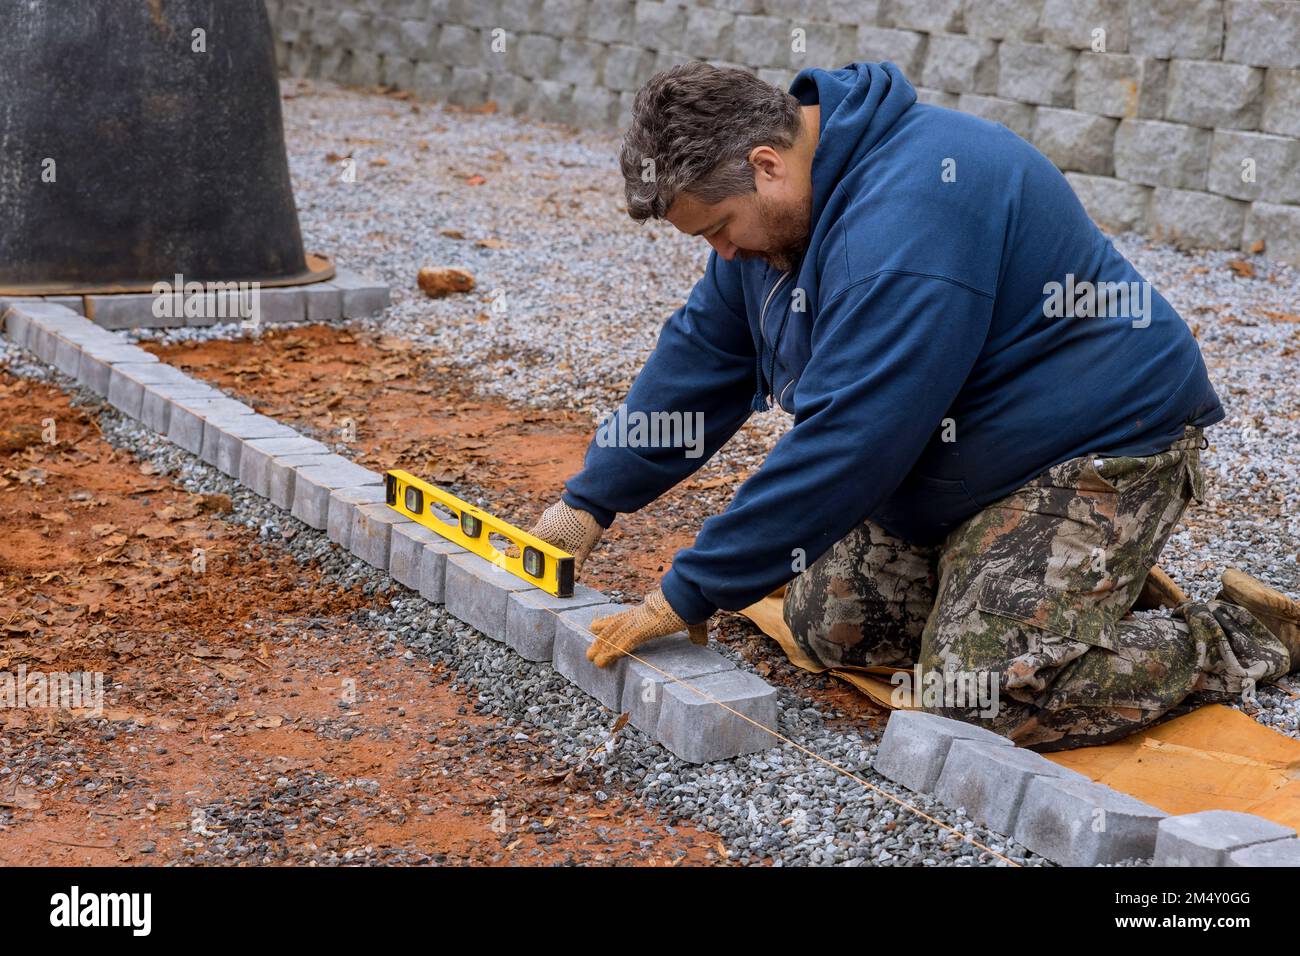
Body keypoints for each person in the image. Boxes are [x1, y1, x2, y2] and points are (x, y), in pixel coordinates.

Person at [529, 61, 1299, 751]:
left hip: (1093, 447)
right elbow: (703, 355)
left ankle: (1238, 635)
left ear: (766, 165)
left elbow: (853, 440)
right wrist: (590, 503)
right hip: (958, 460)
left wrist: (686, 592)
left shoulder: (915, 208)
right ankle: (1063, 594)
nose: (722, 254)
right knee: (831, 627)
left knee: (983, 696)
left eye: (720, 230)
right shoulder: (774, 222)